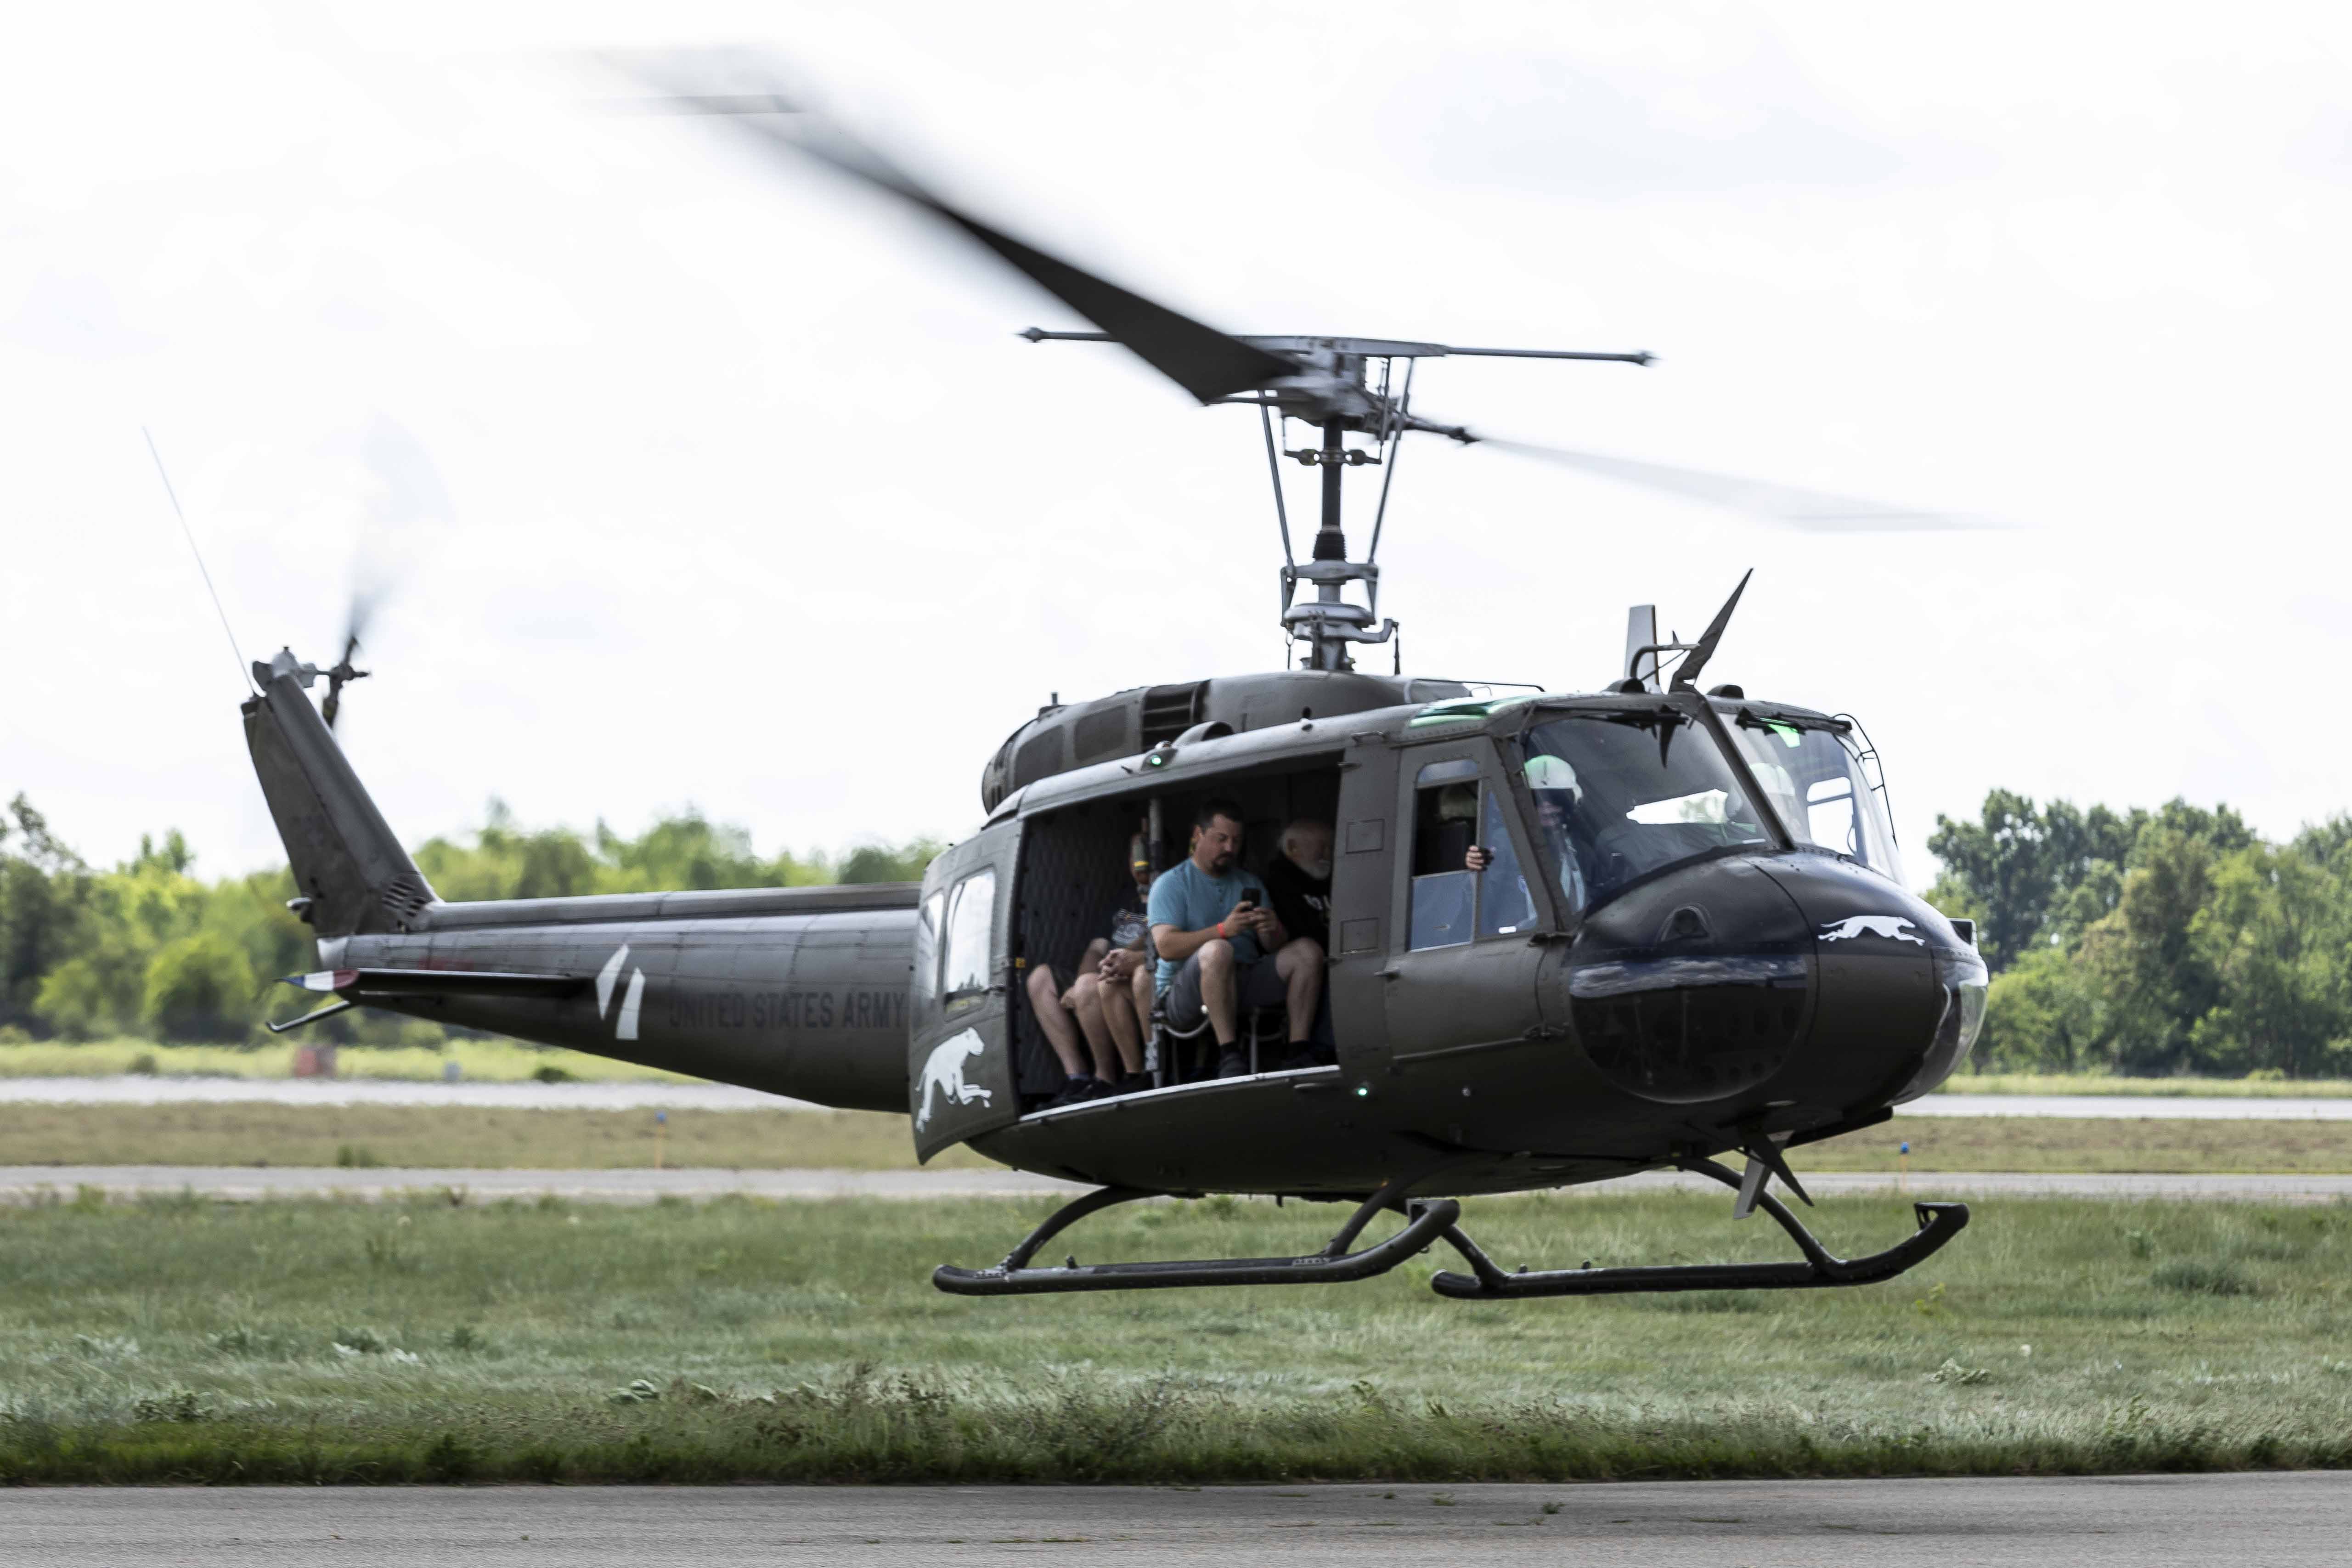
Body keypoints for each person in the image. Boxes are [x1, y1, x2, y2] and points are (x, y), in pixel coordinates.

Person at [1148, 797, 1324, 1079]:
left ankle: (1297, 1051)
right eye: (1221, 839)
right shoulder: (1171, 883)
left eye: (1236, 841)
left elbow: (1272, 948)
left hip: (1242, 979)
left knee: (1307, 952)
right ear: (1198, 835)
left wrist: (1271, 929)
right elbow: (1166, 947)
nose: (1230, 848)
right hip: (1184, 990)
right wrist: (1222, 930)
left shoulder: (1249, 882)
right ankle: (1229, 1055)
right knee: (1218, 950)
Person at [1025, 830, 1154, 1105]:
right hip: (1104, 973)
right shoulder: (1121, 900)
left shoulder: (1169, 893)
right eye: (1135, 854)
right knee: (1041, 979)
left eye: (1146, 851)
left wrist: (1115, 966)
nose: (1140, 861)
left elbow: (1162, 943)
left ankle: (1105, 1077)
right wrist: (1084, 978)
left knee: (1092, 986)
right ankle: (1078, 1078)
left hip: (1136, 978)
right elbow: (1096, 947)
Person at [1465, 754, 1588, 913]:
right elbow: (1482, 903)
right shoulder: (1505, 842)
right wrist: (1475, 872)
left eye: (1557, 798)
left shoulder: (1580, 846)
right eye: (1536, 799)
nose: (1547, 807)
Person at [1260, 818, 1337, 1069]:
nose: (1328, 854)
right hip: (1291, 968)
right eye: (1322, 846)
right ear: (1293, 848)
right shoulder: (1279, 880)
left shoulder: (1328, 878)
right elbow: (1301, 931)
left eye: (1330, 848)